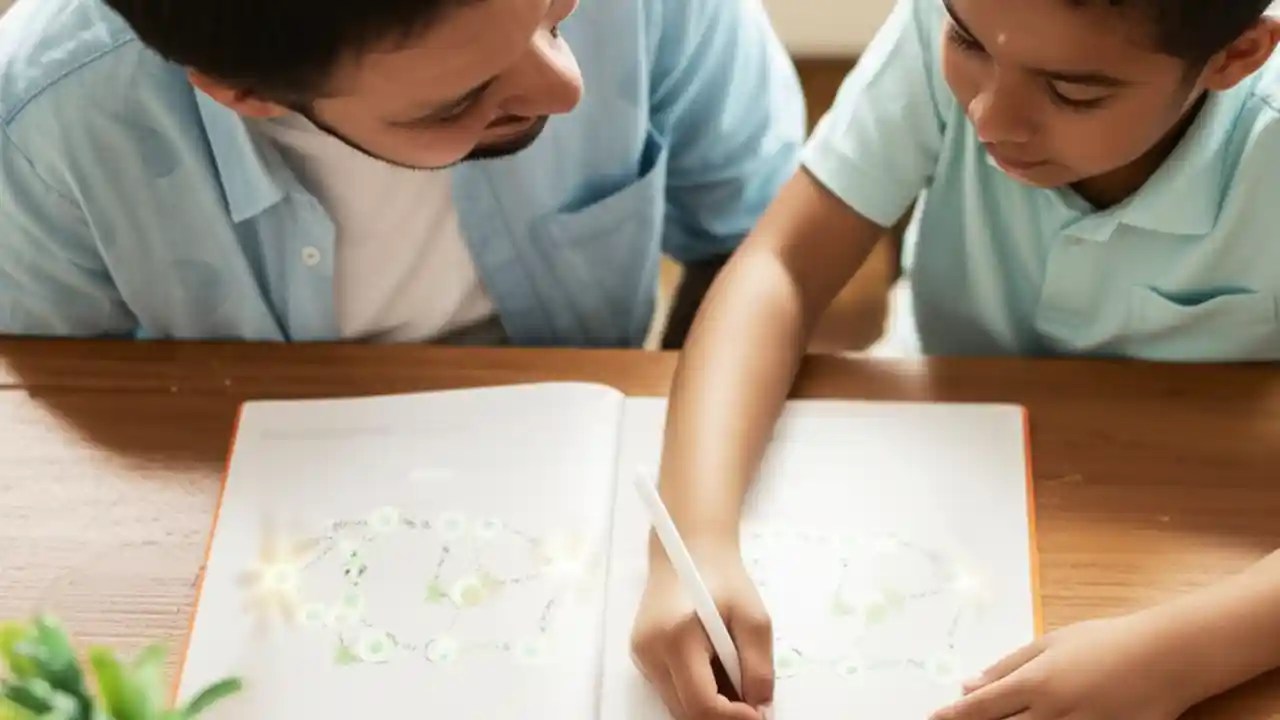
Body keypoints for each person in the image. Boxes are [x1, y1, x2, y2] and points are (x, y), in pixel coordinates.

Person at [630, 0, 1280, 718]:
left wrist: (1178, 658)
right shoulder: (965, 16)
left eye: (1074, 93)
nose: (990, 119)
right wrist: (693, 539)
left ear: (1237, 56)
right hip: (931, 429)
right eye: (966, 42)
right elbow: (779, 268)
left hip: (1192, 501)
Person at [0, 0, 803, 346]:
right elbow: (45, 381)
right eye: (460, 100)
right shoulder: (51, 118)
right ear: (242, 91)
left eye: (555, 11)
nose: (567, 89)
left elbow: (754, 238)